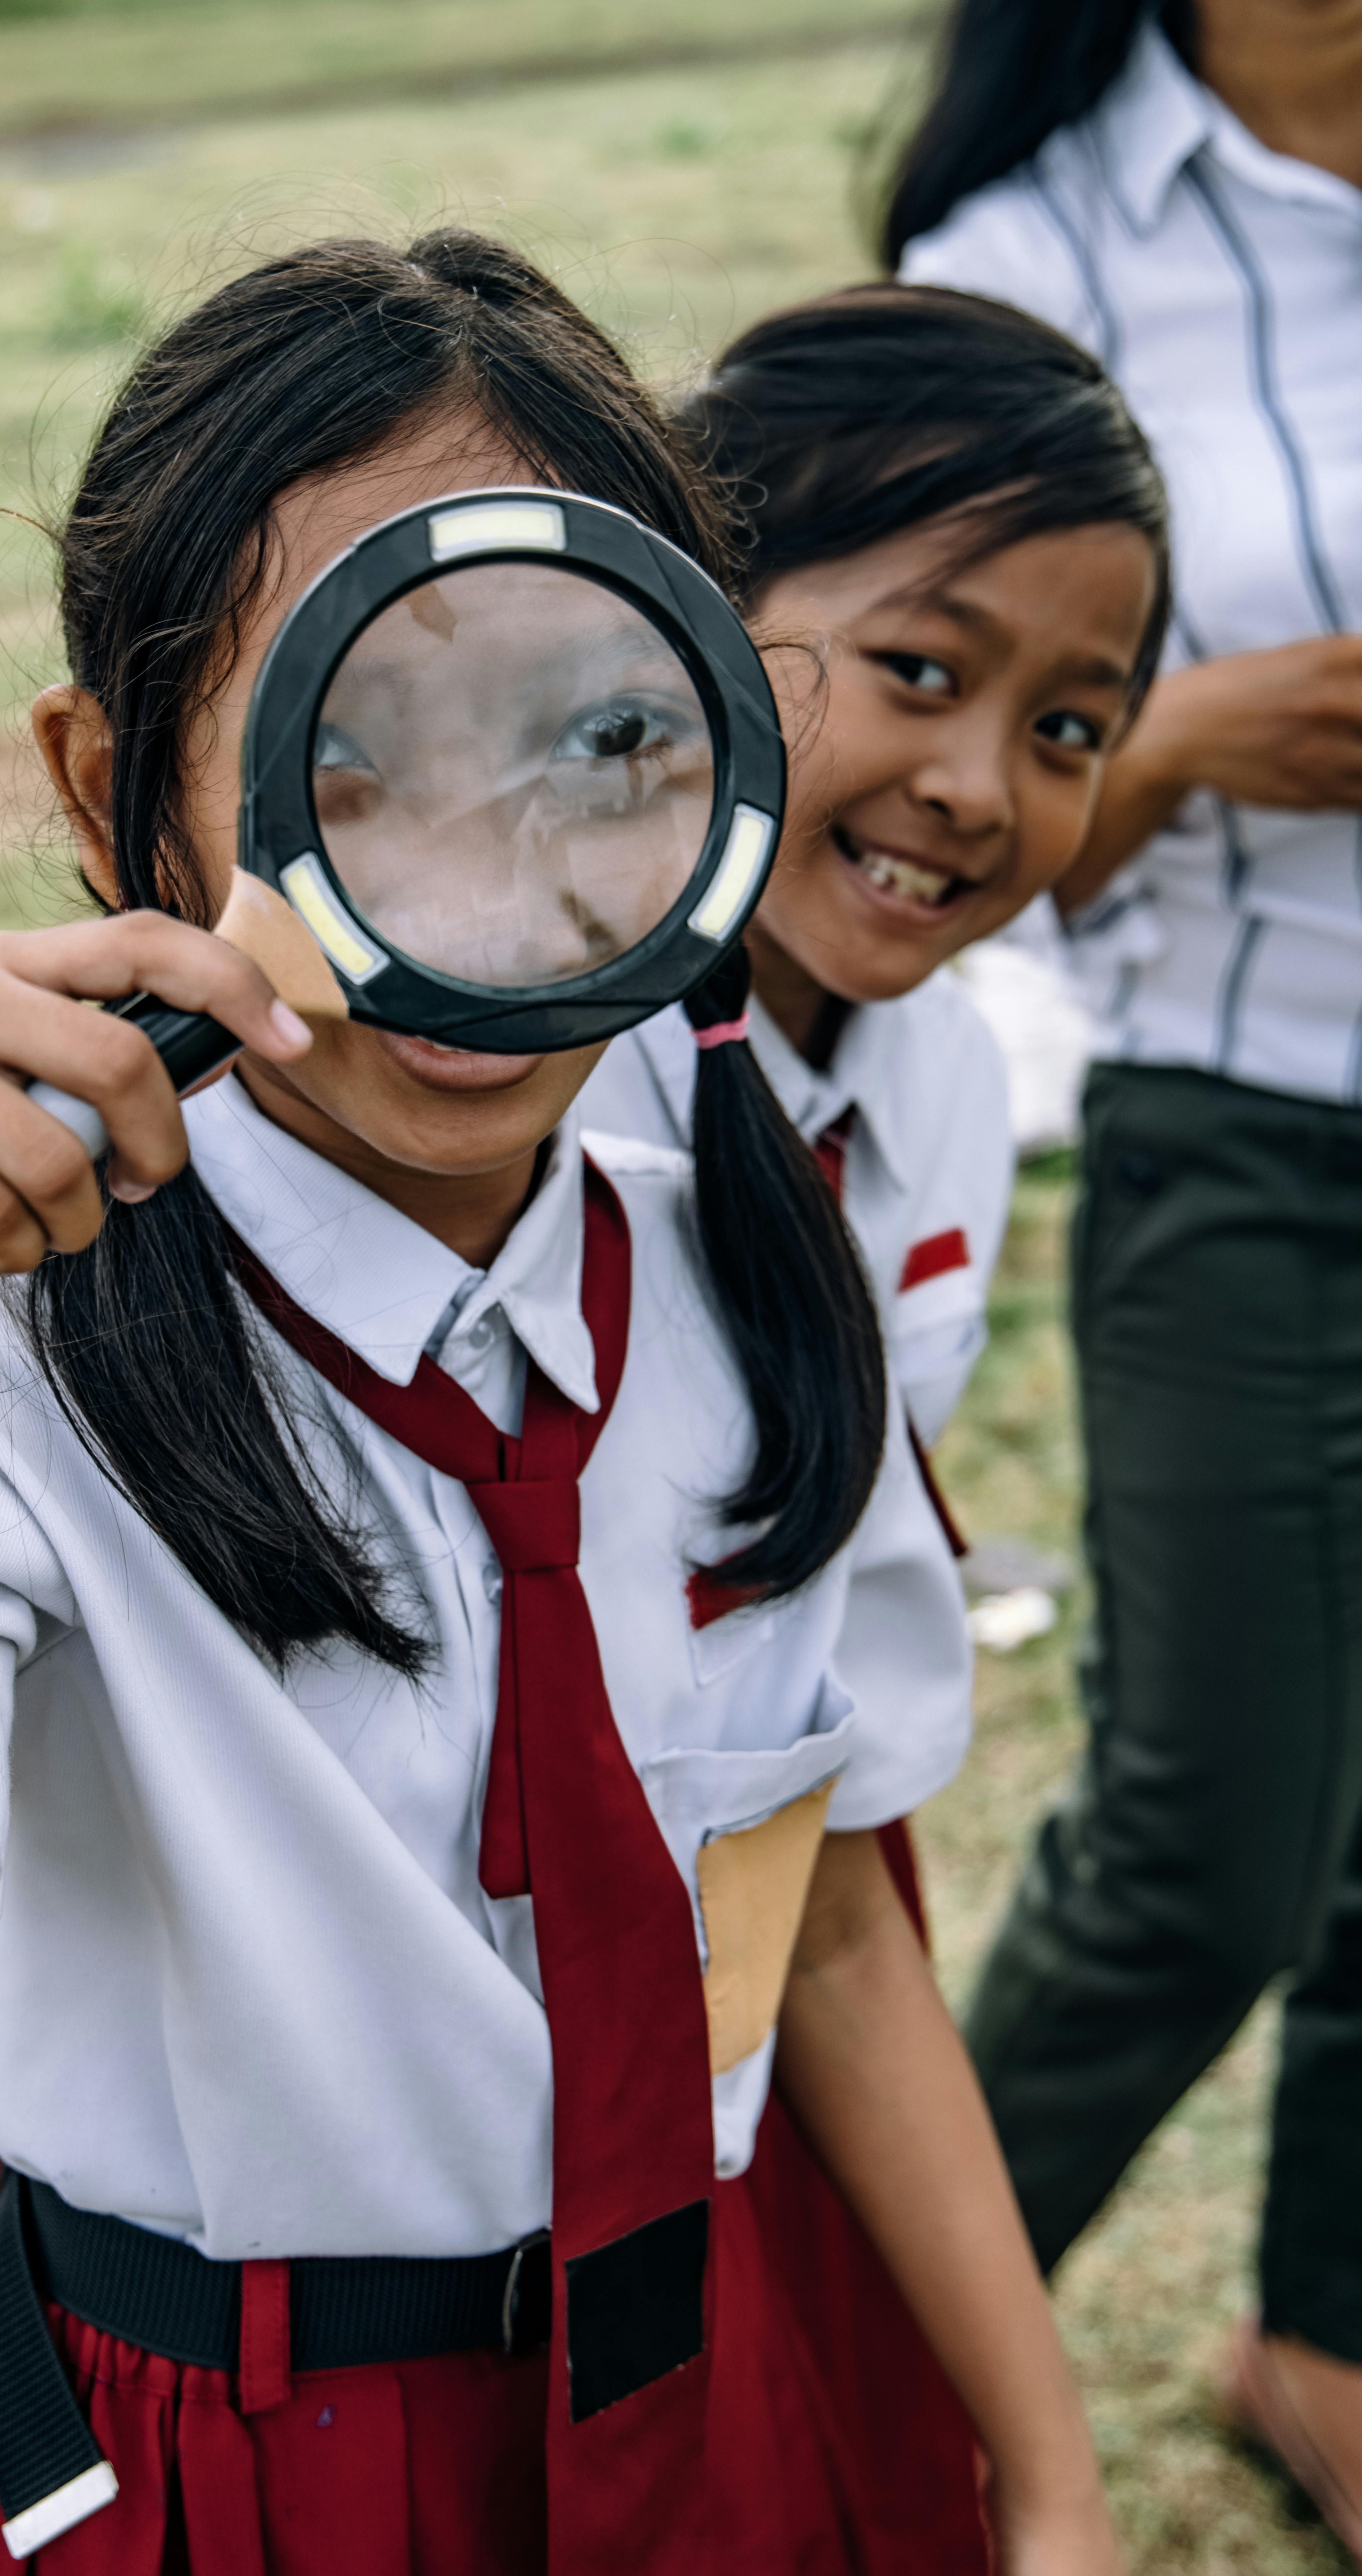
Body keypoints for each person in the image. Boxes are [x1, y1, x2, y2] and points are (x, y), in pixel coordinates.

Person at [0, 231, 1125, 2576]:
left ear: (721, 753)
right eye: (358, 764)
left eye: (596, 740)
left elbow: (821, 1922)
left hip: (697, 2406)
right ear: (116, 783)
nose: (492, 880)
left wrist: (1043, 2481)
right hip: (209, 2484)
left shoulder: (742, 1245)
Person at [578, 277, 1171, 2555]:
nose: (977, 781)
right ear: (689, 611)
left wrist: (1051, 2466)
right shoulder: (509, 1066)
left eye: (1070, 724)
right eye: (921, 669)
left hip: (783, 1878)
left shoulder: (933, 1070)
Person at [893, 0, 1362, 2544]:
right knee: (1209, 1840)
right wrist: (1180, 734)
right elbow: (888, 782)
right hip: (1241, 1125)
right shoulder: (1026, 255)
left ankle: (1327, 2338)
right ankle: (869, 2376)